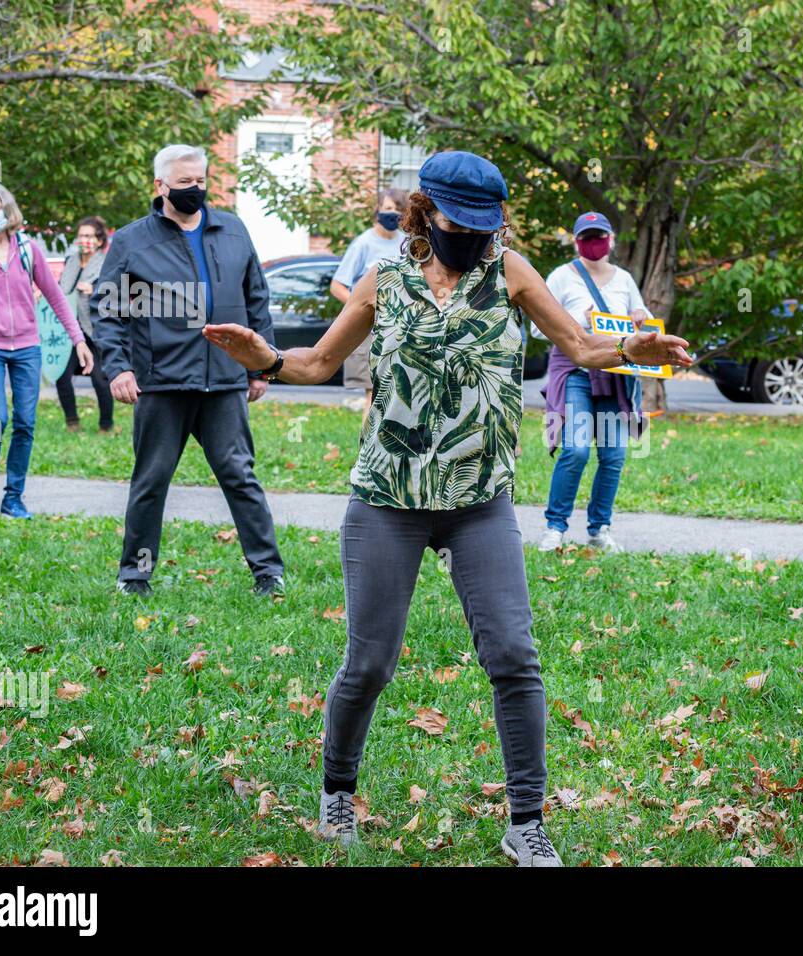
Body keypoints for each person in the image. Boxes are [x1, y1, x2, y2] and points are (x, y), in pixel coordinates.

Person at [201, 150, 691, 865]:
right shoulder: (386, 279)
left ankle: (526, 822)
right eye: (462, 222)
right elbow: (317, 364)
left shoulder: (511, 272)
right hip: (387, 499)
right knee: (369, 663)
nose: (475, 236)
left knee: (514, 656)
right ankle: (337, 791)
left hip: (478, 500)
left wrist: (636, 350)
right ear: (426, 211)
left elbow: (580, 345)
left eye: (486, 224)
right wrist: (263, 357)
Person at [91, 144, 284, 597]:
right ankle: (134, 576)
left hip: (224, 381)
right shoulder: (133, 240)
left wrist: (262, 367)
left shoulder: (233, 231)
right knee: (151, 481)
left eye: (201, 181)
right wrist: (118, 367)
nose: (195, 189)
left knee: (241, 477)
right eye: (184, 183)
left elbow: (257, 298)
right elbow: (109, 309)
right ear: (160, 186)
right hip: (161, 382)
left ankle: (268, 573)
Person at [0, 183, 92, 520]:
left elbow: (55, 295)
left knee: (25, 423)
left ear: (8, 210)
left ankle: (14, 498)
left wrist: (79, 340)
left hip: (27, 346)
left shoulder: (27, 249)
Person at [536, 211, 649, 552]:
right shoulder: (560, 277)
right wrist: (574, 325)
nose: (594, 242)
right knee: (576, 449)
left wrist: (639, 319)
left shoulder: (625, 280)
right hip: (575, 374)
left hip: (615, 377)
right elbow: (535, 326)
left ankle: (599, 529)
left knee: (614, 455)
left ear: (611, 240)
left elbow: (641, 324)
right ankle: (555, 528)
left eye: (600, 236)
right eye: (587, 237)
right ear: (576, 241)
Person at [330, 187, 408, 412]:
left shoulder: (407, 243)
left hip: (400, 327)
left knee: (398, 393)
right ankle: (367, 446)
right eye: (388, 208)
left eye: (398, 209)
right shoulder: (363, 244)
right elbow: (337, 286)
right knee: (374, 395)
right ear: (378, 210)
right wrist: (366, 308)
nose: (393, 213)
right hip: (370, 329)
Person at [55, 216, 114, 432]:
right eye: (81, 236)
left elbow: (115, 295)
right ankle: (72, 422)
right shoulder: (71, 261)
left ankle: (106, 426)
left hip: (95, 331)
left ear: (99, 240)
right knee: (62, 376)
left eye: (89, 236)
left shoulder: (107, 263)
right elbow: (61, 290)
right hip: (71, 331)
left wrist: (95, 291)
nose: (84, 240)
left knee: (100, 380)